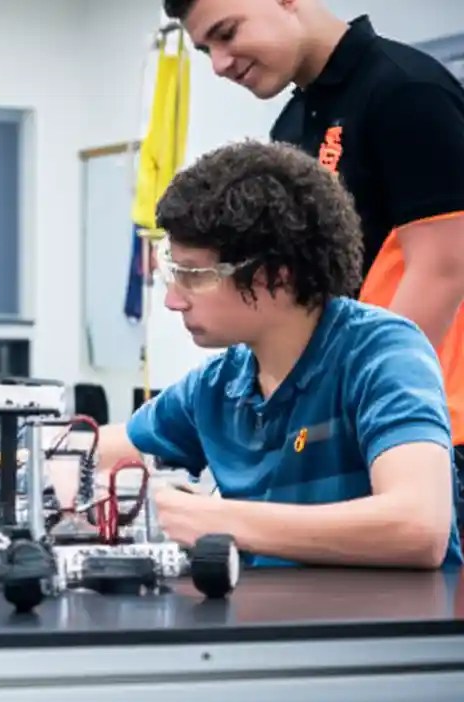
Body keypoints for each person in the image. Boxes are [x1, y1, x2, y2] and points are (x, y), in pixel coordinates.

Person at [93, 139, 461, 570]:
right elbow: (101, 448)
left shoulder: (382, 354)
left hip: (376, 632)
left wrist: (221, 520)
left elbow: (418, 527)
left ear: (273, 277)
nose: (174, 301)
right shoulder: (221, 384)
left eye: (192, 276)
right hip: (263, 628)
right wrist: (14, 456)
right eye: (172, 274)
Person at [165, 0, 464, 527]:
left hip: (426, 427)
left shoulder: (406, 92)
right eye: (206, 48)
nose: (219, 63)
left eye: (228, 34)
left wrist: (351, 404)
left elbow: (445, 269)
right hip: (336, 418)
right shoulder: (294, 122)